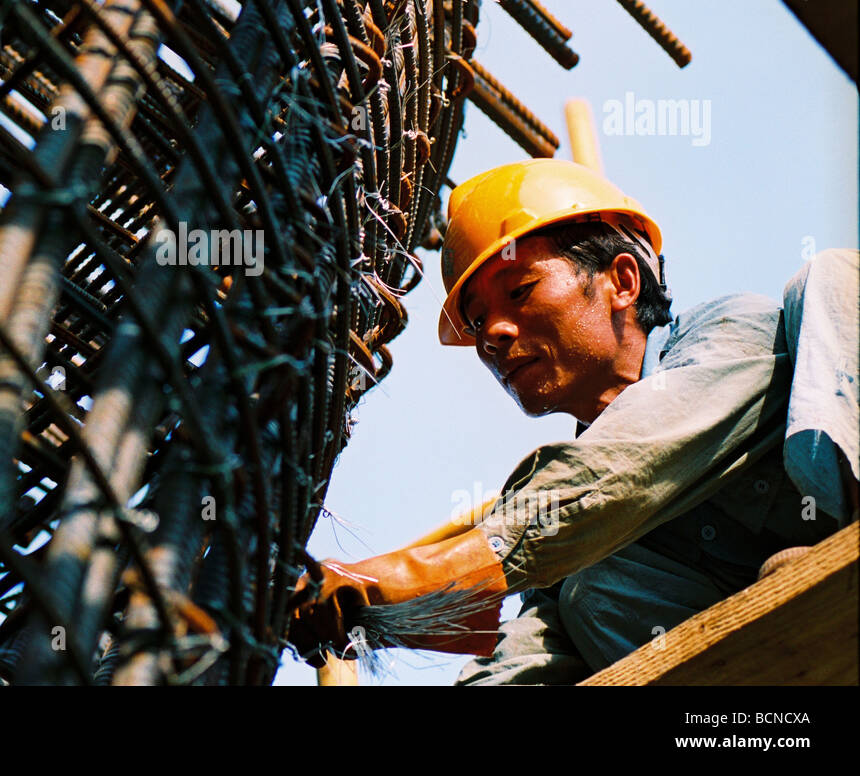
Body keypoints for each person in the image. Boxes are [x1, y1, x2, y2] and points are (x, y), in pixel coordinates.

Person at [286, 158, 858, 684]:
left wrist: (398, 578)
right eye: (478, 321)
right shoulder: (583, 546)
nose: (492, 335)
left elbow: (620, 468)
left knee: (833, 279)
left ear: (623, 281)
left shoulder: (735, 333)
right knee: (590, 589)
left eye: (520, 291)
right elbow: (519, 664)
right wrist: (358, 613)